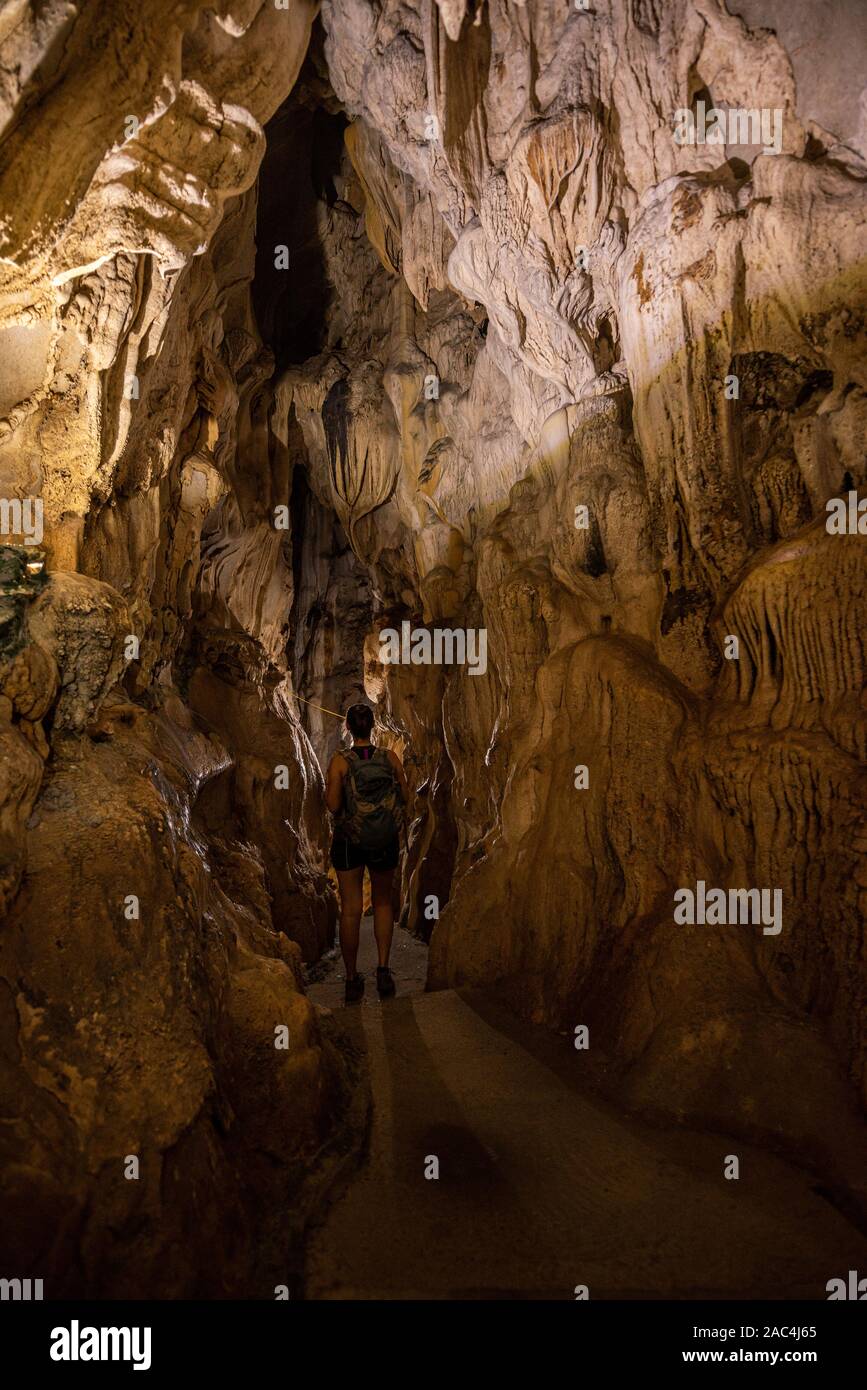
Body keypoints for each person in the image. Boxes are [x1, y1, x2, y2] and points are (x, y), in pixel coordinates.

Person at [325, 704, 409, 1004]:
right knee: (383, 903)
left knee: (350, 909)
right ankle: (384, 970)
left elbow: (334, 806)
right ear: (373, 726)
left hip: (349, 842)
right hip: (384, 840)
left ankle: (351, 979)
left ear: (347, 728)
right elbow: (405, 796)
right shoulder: (389, 758)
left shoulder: (340, 762)